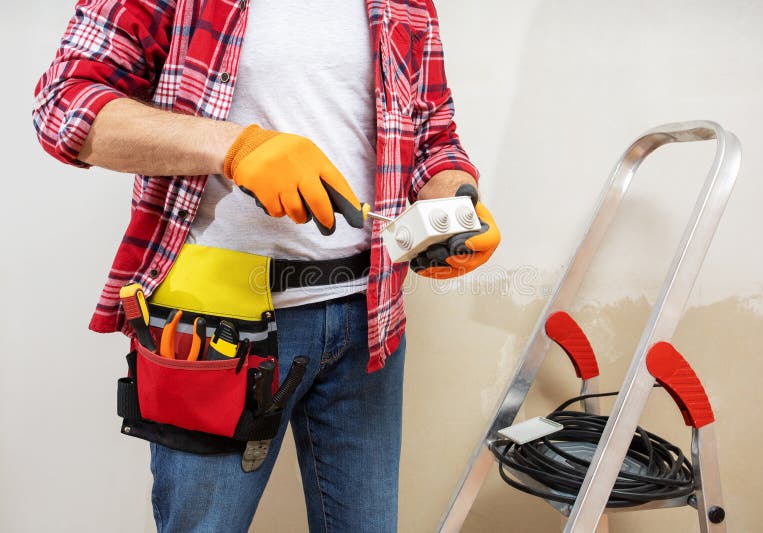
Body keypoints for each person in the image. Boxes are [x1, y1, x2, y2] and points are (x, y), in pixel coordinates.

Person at [33, 0, 500, 531]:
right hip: (214, 325)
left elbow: (435, 138)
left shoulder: (406, 5)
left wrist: (454, 197)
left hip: (368, 317)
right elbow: (64, 105)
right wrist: (234, 147)